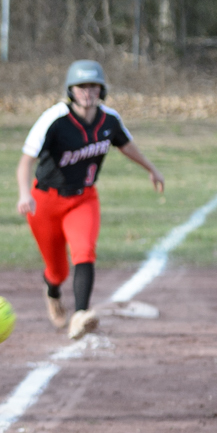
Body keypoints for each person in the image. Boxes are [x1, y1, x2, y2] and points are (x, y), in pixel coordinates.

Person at [16, 60, 165, 340]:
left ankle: (80, 316)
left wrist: (151, 168)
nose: (88, 92)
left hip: (83, 199)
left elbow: (126, 145)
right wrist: (24, 194)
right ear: (71, 90)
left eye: (93, 86)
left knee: (84, 252)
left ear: (102, 90)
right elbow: (26, 161)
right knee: (57, 270)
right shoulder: (55, 119)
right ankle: (53, 292)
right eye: (82, 86)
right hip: (44, 201)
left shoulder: (109, 119)